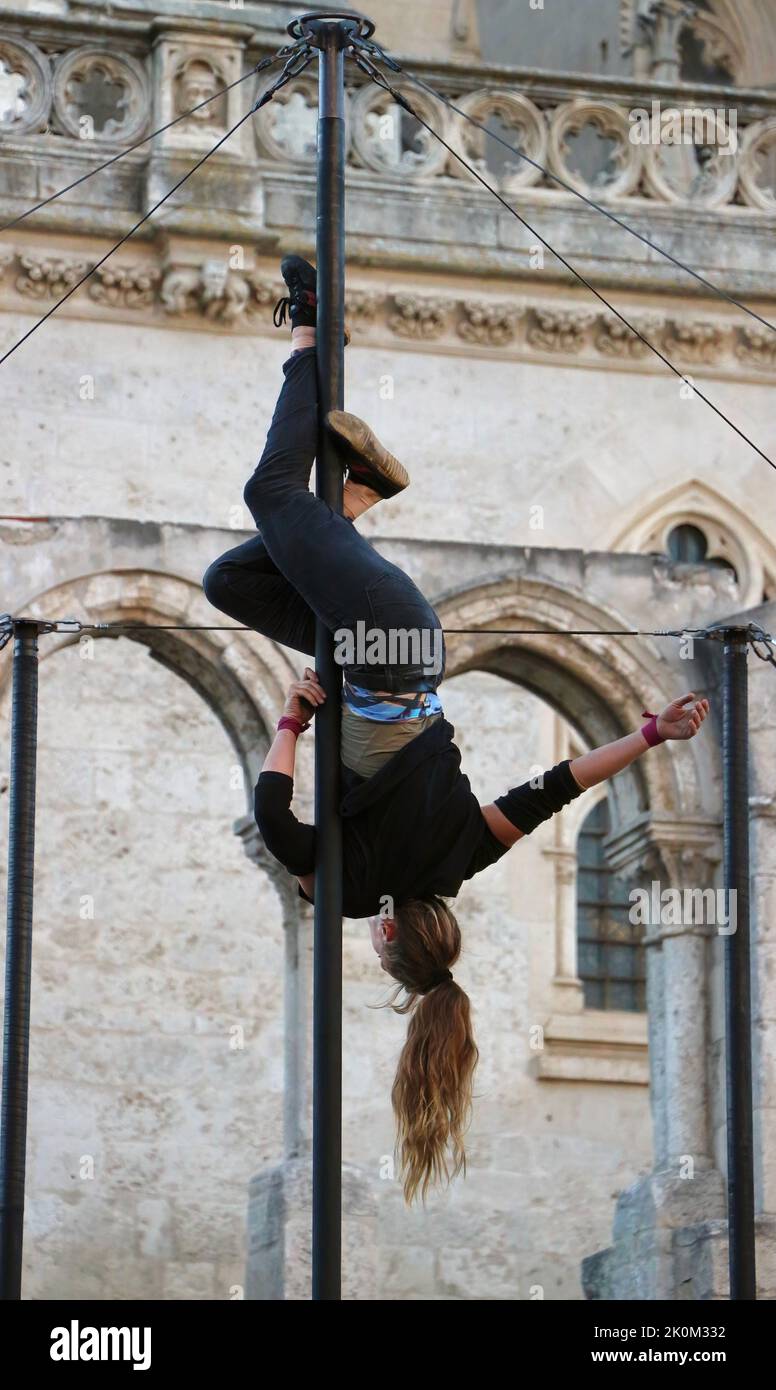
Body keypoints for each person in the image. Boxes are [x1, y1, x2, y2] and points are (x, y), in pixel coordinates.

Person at [203, 255, 711, 1203]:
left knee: (229, 584)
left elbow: (555, 785)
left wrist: (651, 734)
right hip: (376, 644)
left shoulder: (463, 859)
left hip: (393, 645)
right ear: (391, 929)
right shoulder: (354, 884)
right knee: (272, 500)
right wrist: (290, 719)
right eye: (378, 938)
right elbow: (278, 820)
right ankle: (311, 327)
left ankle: (352, 499)